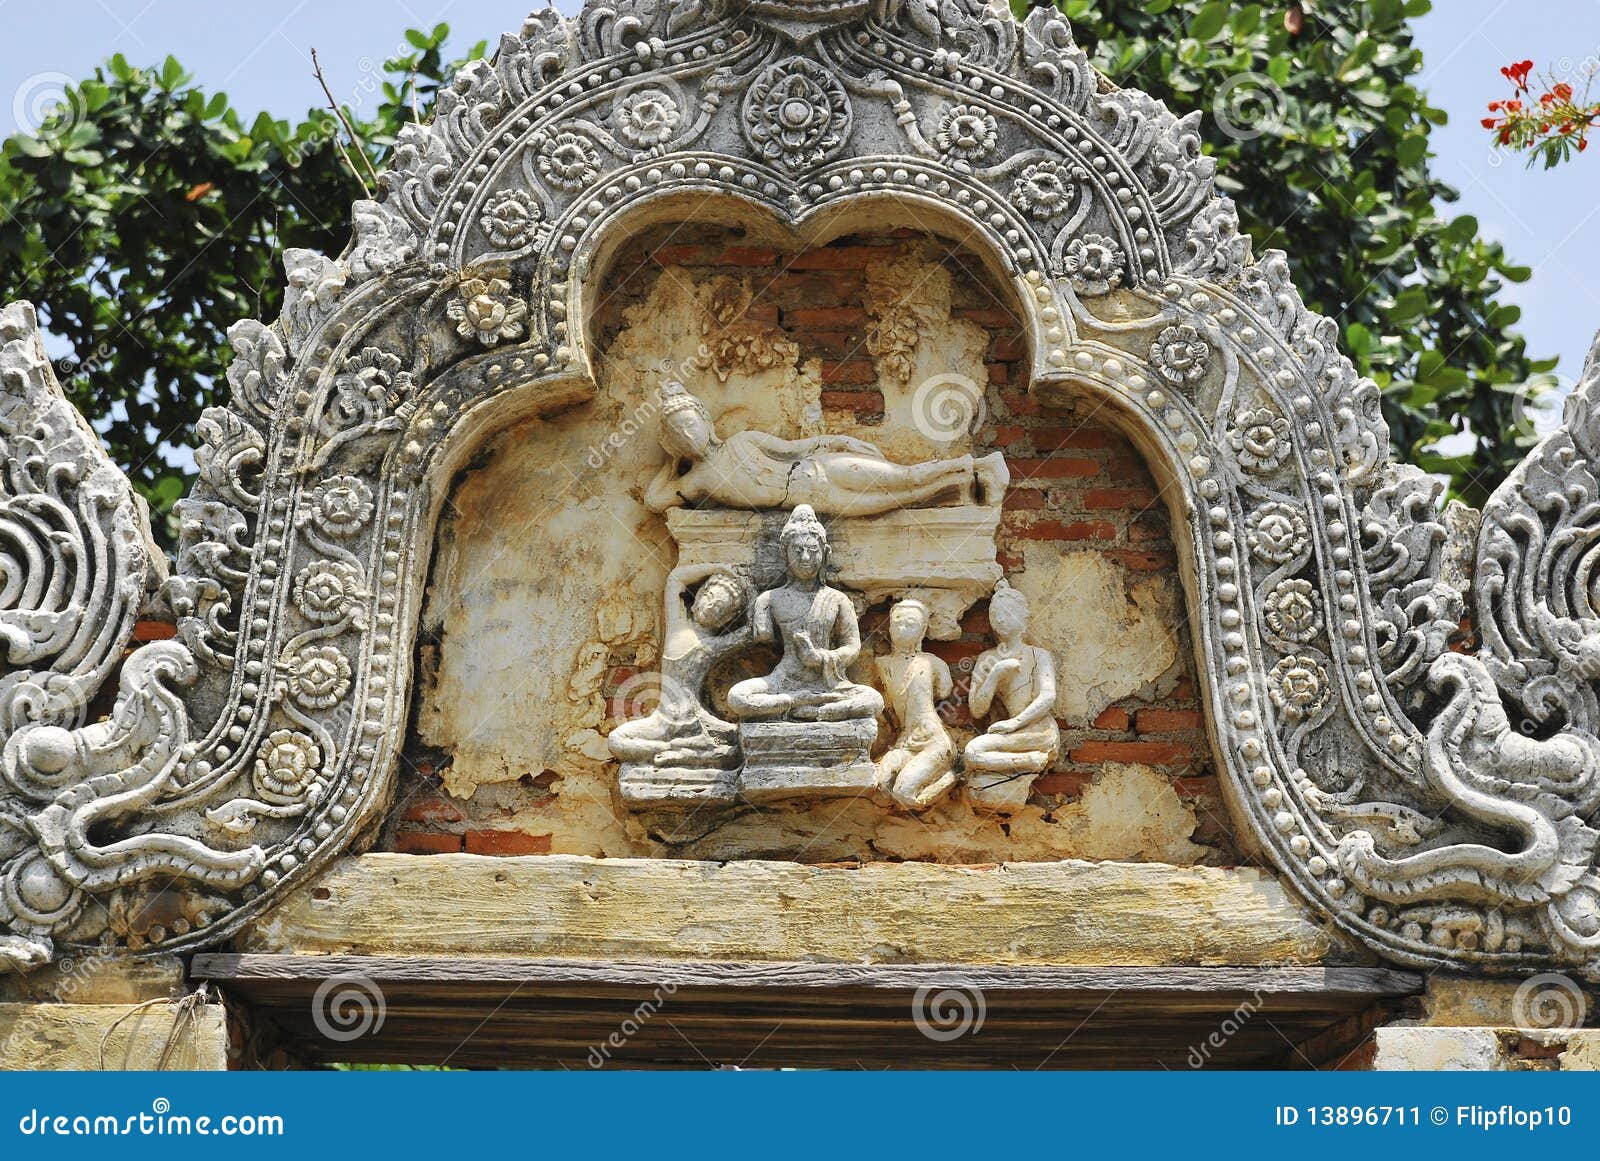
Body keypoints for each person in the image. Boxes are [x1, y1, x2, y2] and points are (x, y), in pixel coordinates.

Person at [643, 380, 1008, 515]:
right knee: (903, 499)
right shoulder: (697, 482)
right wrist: (672, 462)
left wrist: (841, 441)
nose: (687, 434)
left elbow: (797, 448)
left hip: (817, 470)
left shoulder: (743, 441)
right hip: (812, 502)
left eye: (689, 423)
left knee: (903, 476)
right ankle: (962, 487)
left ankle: (980, 465)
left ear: (706, 422)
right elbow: (654, 501)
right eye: (677, 432)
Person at [726, 505, 883, 723]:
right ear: (784, 554)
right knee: (738, 697)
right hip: (783, 681)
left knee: (873, 699)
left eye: (813, 550)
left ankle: (820, 711)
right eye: (797, 551)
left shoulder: (837, 599)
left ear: (825, 553)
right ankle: (796, 702)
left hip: (829, 684)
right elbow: (759, 637)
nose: (806, 558)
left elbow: (853, 646)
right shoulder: (769, 599)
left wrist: (820, 658)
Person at [607, 565, 752, 769]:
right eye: (709, 597)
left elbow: (749, 634)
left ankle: (683, 751)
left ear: (726, 620)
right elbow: (675, 579)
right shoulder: (678, 625)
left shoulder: (712, 645)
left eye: (719, 609)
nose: (710, 606)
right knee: (616, 740)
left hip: (692, 719)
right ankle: (679, 752)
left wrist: (756, 598)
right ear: (700, 594)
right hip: (662, 718)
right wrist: (717, 567)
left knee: (737, 746)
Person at [964, 581, 1060, 775]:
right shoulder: (987, 659)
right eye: (995, 614)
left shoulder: (1038, 655)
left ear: (1023, 616)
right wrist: (995, 674)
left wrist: (1013, 723)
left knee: (973, 752)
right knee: (973, 752)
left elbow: (1048, 697)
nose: (1000, 619)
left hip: (1039, 730)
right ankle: (1029, 761)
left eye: (1007, 613)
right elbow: (977, 710)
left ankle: (1033, 759)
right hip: (1012, 733)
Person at [874, 599, 957, 809]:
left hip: (932, 739)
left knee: (903, 793)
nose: (902, 628)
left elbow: (944, 690)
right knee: (881, 783)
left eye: (910, 624)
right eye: (897, 623)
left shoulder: (932, 662)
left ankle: (951, 778)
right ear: (889, 627)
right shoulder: (882, 665)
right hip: (905, 740)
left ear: (922, 631)